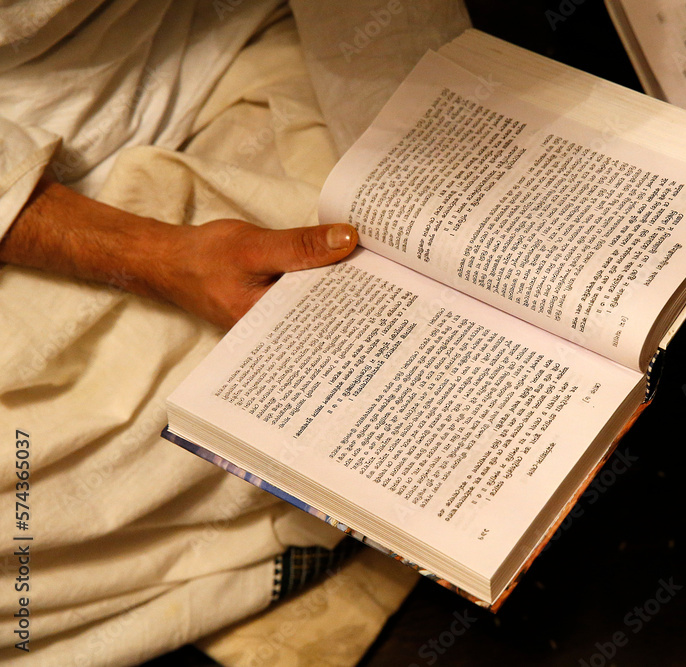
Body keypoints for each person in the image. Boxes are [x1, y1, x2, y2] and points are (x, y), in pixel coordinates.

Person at [0, 1, 469, 664]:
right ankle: (294, 528)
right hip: (28, 200)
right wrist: (159, 259)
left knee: (364, 283)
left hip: (216, 51)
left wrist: (427, 193)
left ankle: (275, 524)